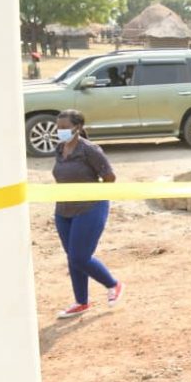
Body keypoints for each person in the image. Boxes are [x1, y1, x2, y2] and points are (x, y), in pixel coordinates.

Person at [52, 109, 124, 318]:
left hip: (90, 208)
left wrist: (92, 194)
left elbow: (109, 177)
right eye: (58, 127)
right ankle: (81, 302)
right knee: (72, 257)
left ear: (78, 127)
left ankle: (113, 284)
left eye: (65, 127)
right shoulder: (60, 148)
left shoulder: (89, 150)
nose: (60, 131)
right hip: (64, 210)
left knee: (80, 257)